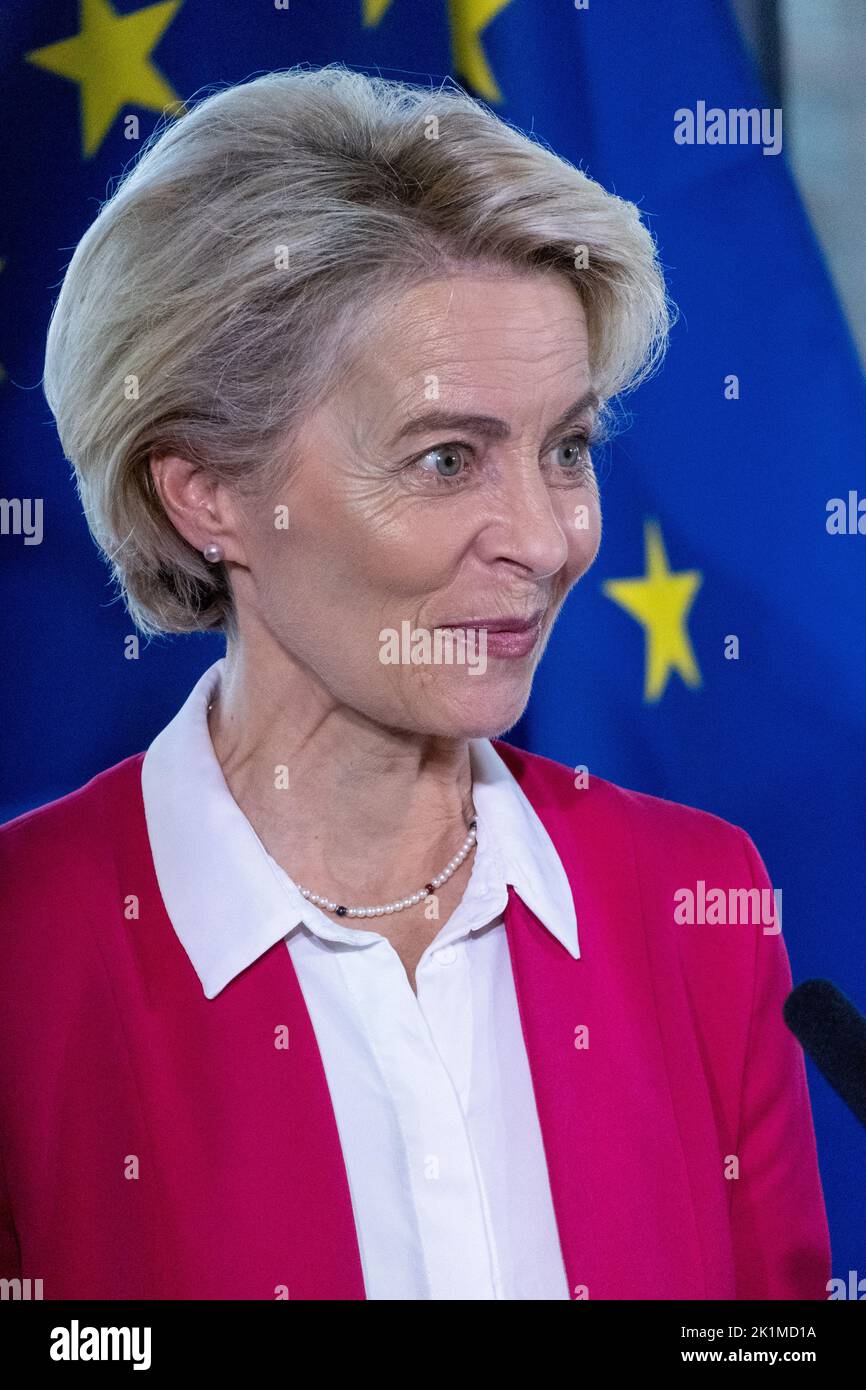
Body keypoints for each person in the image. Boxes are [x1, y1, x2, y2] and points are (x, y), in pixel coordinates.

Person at [0, 64, 830, 1299]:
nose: (545, 540)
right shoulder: (29, 950)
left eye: (565, 449)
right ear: (208, 492)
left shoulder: (695, 900)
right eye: (447, 459)